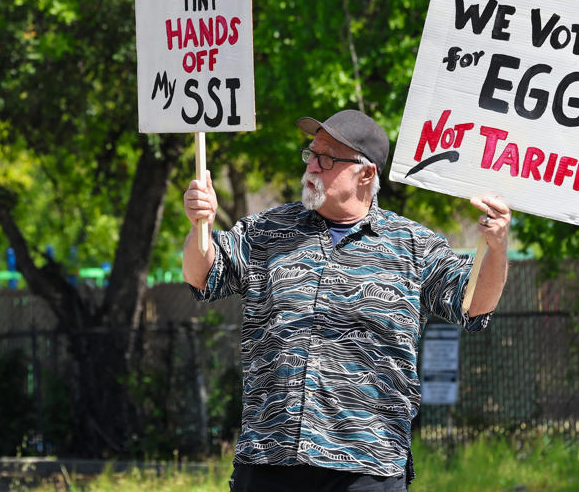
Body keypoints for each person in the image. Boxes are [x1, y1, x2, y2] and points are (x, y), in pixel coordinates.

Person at [183, 109, 510, 491]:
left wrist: (497, 247)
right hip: (271, 456)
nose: (312, 167)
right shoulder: (266, 231)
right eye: (311, 154)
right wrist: (198, 225)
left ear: (366, 174)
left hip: (367, 464)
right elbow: (202, 275)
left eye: (328, 158)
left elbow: (474, 304)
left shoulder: (414, 246)